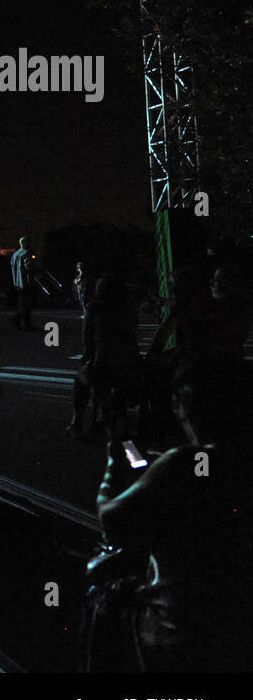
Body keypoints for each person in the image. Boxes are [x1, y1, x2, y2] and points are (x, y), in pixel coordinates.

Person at [89, 361, 253, 671]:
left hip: (188, 631)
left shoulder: (183, 463)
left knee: (105, 592)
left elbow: (113, 520)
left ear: (185, 407)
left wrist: (113, 464)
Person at [69, 276, 140, 440]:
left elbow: (87, 338)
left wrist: (88, 353)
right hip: (130, 365)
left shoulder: (93, 308)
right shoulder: (128, 310)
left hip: (104, 364)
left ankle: (76, 422)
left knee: (81, 379)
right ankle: (113, 418)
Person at [10, 237, 35, 331]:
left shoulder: (15, 254)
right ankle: (19, 320)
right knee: (28, 304)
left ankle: (24, 323)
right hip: (26, 282)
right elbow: (28, 268)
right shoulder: (26, 253)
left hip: (17, 282)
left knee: (22, 303)